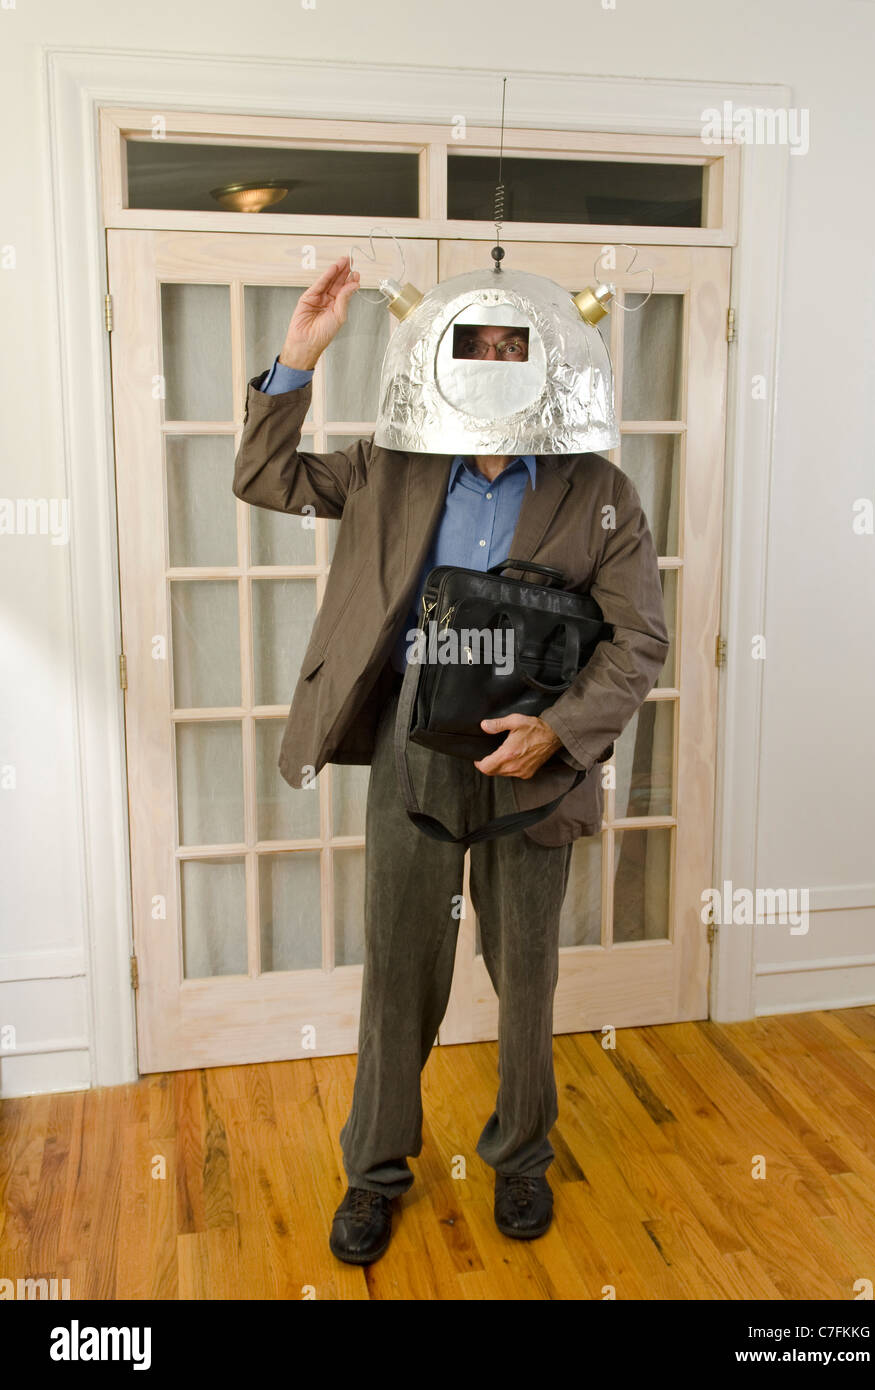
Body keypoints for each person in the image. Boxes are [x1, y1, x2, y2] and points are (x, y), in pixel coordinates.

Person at [232, 257, 669, 1265]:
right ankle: (373, 1170)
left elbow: (637, 638)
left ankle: (520, 1155)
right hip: (411, 745)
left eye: (510, 353)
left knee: (525, 971)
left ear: (546, 362)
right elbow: (265, 478)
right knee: (398, 967)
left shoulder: (600, 492)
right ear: (438, 359)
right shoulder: (391, 460)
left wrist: (557, 728)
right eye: (474, 350)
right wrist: (296, 358)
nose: (490, 370)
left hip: (537, 758)